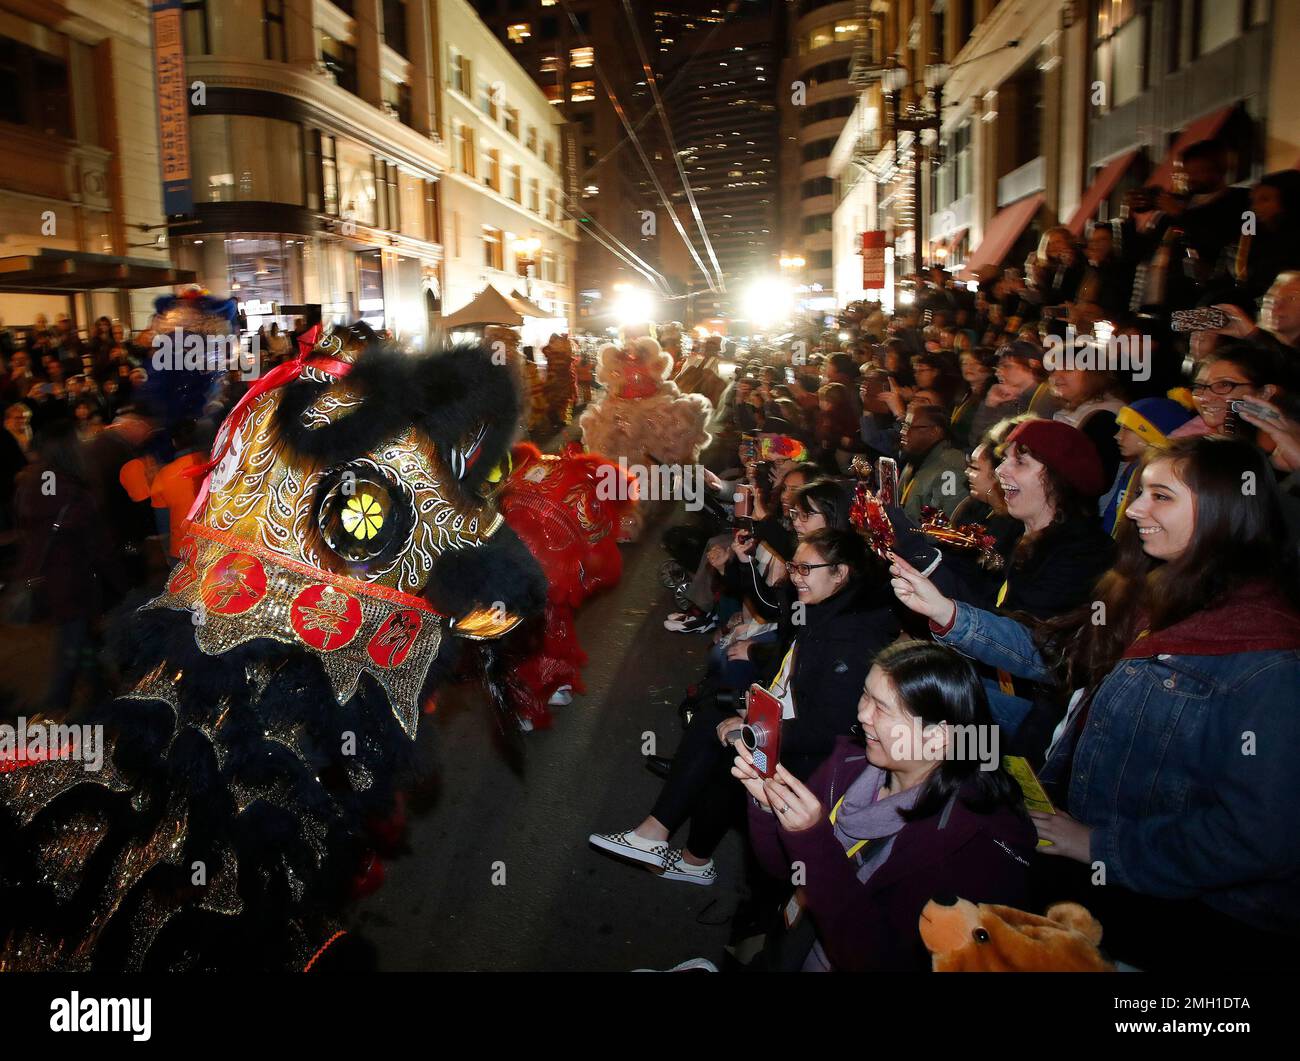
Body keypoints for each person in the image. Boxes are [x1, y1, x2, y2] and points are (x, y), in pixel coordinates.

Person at [888, 436, 1300, 969]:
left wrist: (1099, 845)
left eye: (1161, 496)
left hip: (1175, 925)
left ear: (1225, 508)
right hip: (1083, 874)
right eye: (1139, 493)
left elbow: (1260, 837)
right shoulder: (1149, 591)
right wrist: (948, 614)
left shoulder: (1269, 658)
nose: (1134, 509)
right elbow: (1061, 657)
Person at [590, 530, 899, 886]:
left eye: (804, 568)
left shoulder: (853, 637)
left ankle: (663, 839)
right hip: (781, 717)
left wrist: (754, 729)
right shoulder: (820, 609)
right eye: (794, 567)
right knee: (715, 712)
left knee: (725, 742)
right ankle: (683, 852)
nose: (795, 575)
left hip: (811, 757)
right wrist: (747, 708)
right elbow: (782, 669)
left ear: (840, 573)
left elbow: (829, 731)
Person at [734, 640, 1035, 971]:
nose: (861, 714)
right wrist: (767, 809)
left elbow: (878, 958)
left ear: (939, 737)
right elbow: (783, 869)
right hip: (793, 948)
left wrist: (812, 841)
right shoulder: (848, 762)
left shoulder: (969, 847)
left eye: (882, 708)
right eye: (865, 694)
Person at [1100, 397, 1193, 534]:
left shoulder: (1165, 476)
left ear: (1153, 436)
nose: (1118, 436)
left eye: (1128, 429)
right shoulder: (1133, 469)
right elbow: (1112, 513)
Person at [898, 404, 967, 522]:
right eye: (904, 425)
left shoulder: (951, 468)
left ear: (934, 431)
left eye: (910, 426)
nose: (903, 432)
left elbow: (941, 530)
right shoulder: (914, 461)